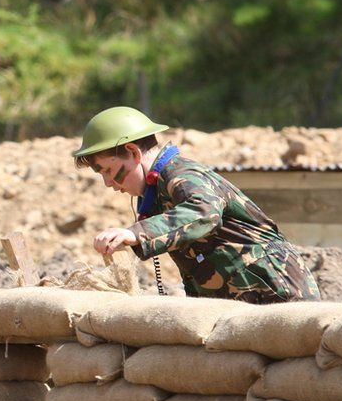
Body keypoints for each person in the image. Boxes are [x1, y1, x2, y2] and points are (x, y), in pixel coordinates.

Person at [72, 106, 320, 304]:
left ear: (133, 153)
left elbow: (204, 212)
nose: (107, 183)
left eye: (109, 170)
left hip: (277, 292)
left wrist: (135, 233)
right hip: (241, 302)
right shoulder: (154, 193)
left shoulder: (181, 174)